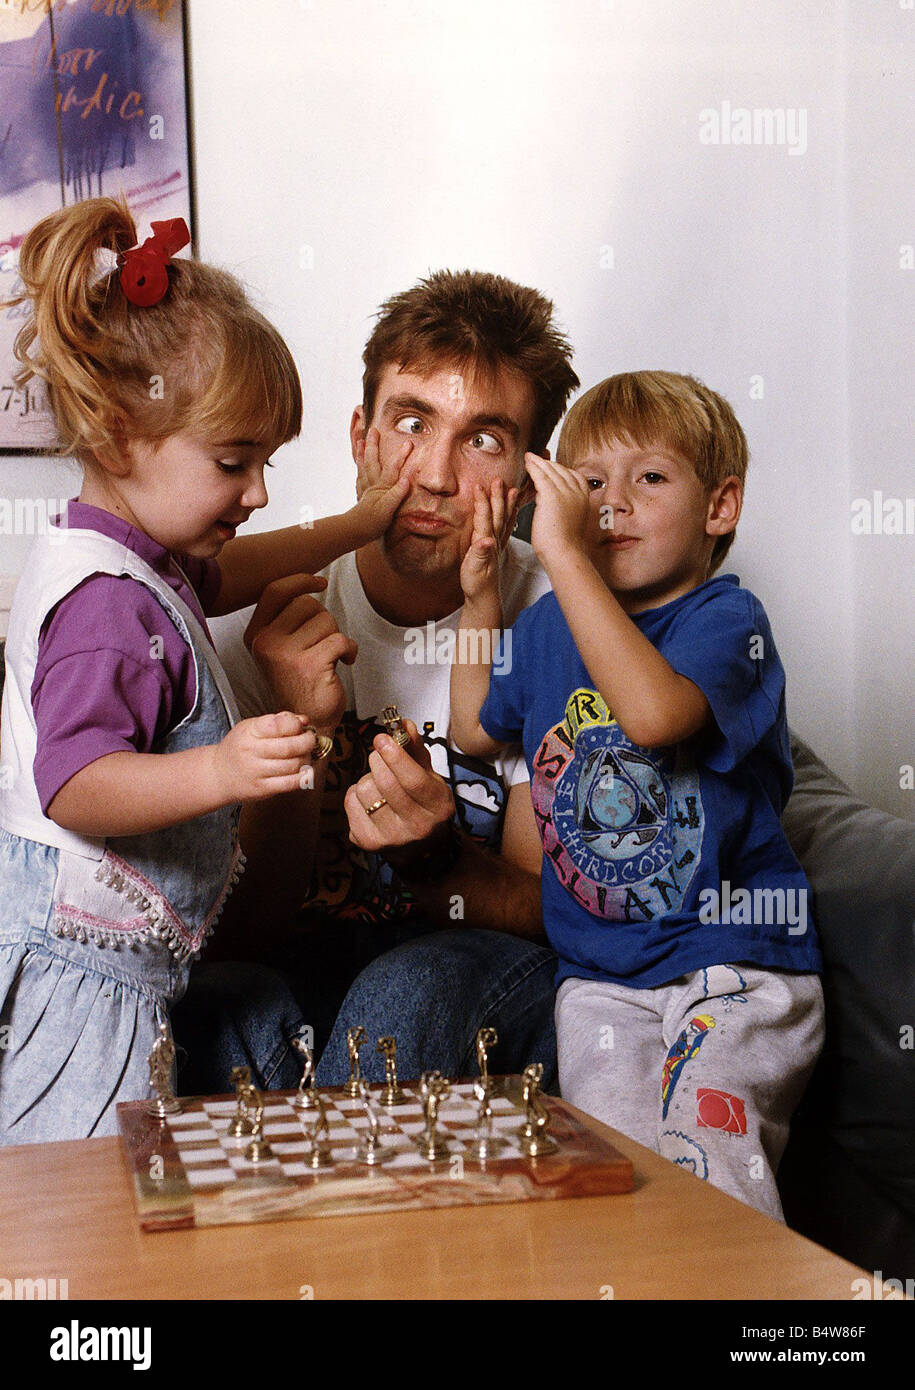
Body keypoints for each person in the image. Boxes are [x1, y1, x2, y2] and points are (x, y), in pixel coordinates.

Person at [0, 197, 410, 1142]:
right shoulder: (104, 602)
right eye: (234, 462)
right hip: (81, 984)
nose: (257, 491)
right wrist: (221, 770)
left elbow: (242, 566)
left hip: (125, 973)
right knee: (87, 1208)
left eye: (264, 461)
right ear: (115, 434)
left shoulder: (139, 554)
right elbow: (75, 781)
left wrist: (363, 521)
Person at [449, 370, 824, 1219]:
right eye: (588, 483)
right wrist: (480, 598)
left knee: (705, 1157)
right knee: (608, 1181)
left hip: (735, 963)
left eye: (648, 478)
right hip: (602, 980)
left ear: (718, 507)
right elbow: (474, 726)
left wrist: (563, 555)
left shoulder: (728, 623)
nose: (610, 502)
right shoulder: (548, 625)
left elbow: (653, 715)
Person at [196, 269, 580, 1090]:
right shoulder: (263, 612)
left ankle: (336, 1221)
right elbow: (237, 936)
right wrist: (303, 742)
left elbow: (555, 916)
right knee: (223, 1008)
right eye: (411, 422)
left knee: (407, 987)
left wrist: (440, 865)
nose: (433, 476)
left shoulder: (562, 621)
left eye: (483, 439)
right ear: (360, 435)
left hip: (483, 975)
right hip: (302, 969)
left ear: (530, 477)